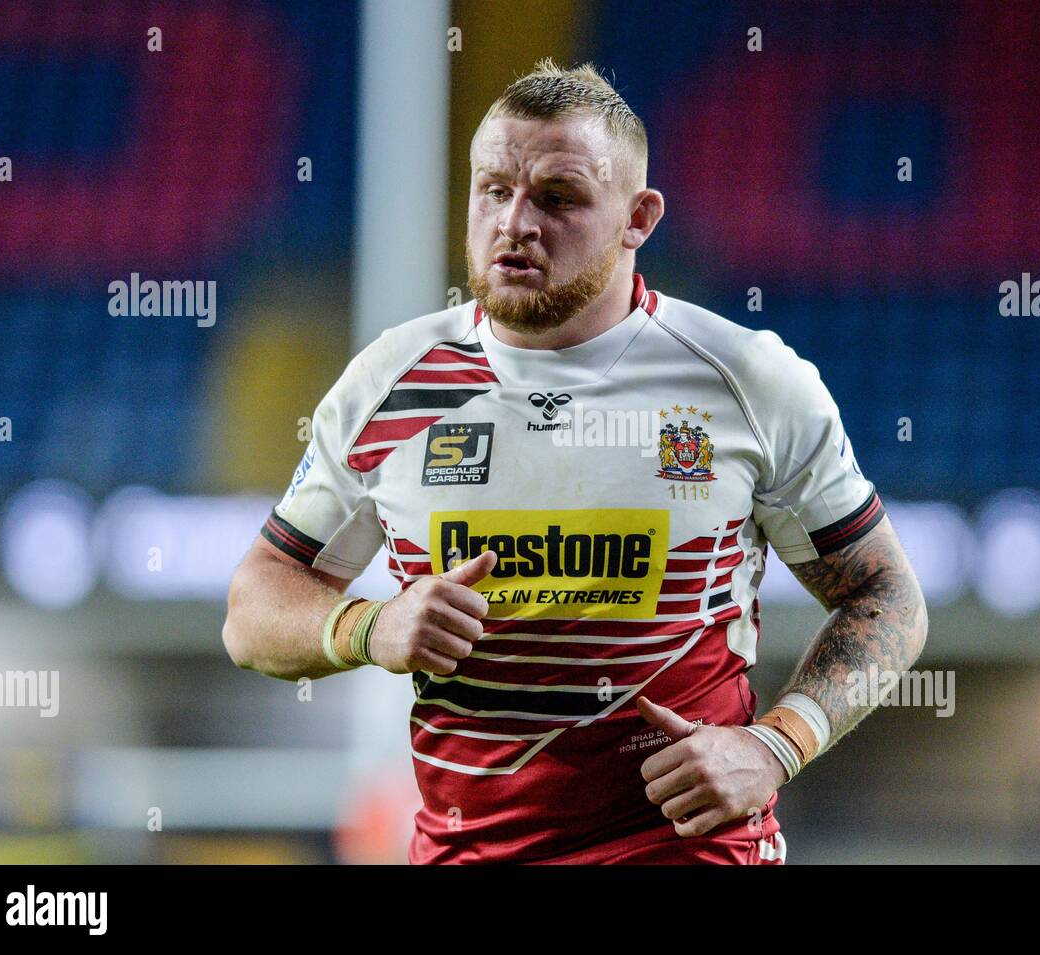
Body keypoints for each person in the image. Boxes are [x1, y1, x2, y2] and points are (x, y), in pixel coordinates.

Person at [222, 59, 928, 864]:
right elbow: (252, 611)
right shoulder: (392, 381)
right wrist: (365, 625)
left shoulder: (747, 381)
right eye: (492, 190)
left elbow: (887, 597)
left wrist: (777, 744)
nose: (515, 222)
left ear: (639, 217)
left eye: (557, 198)